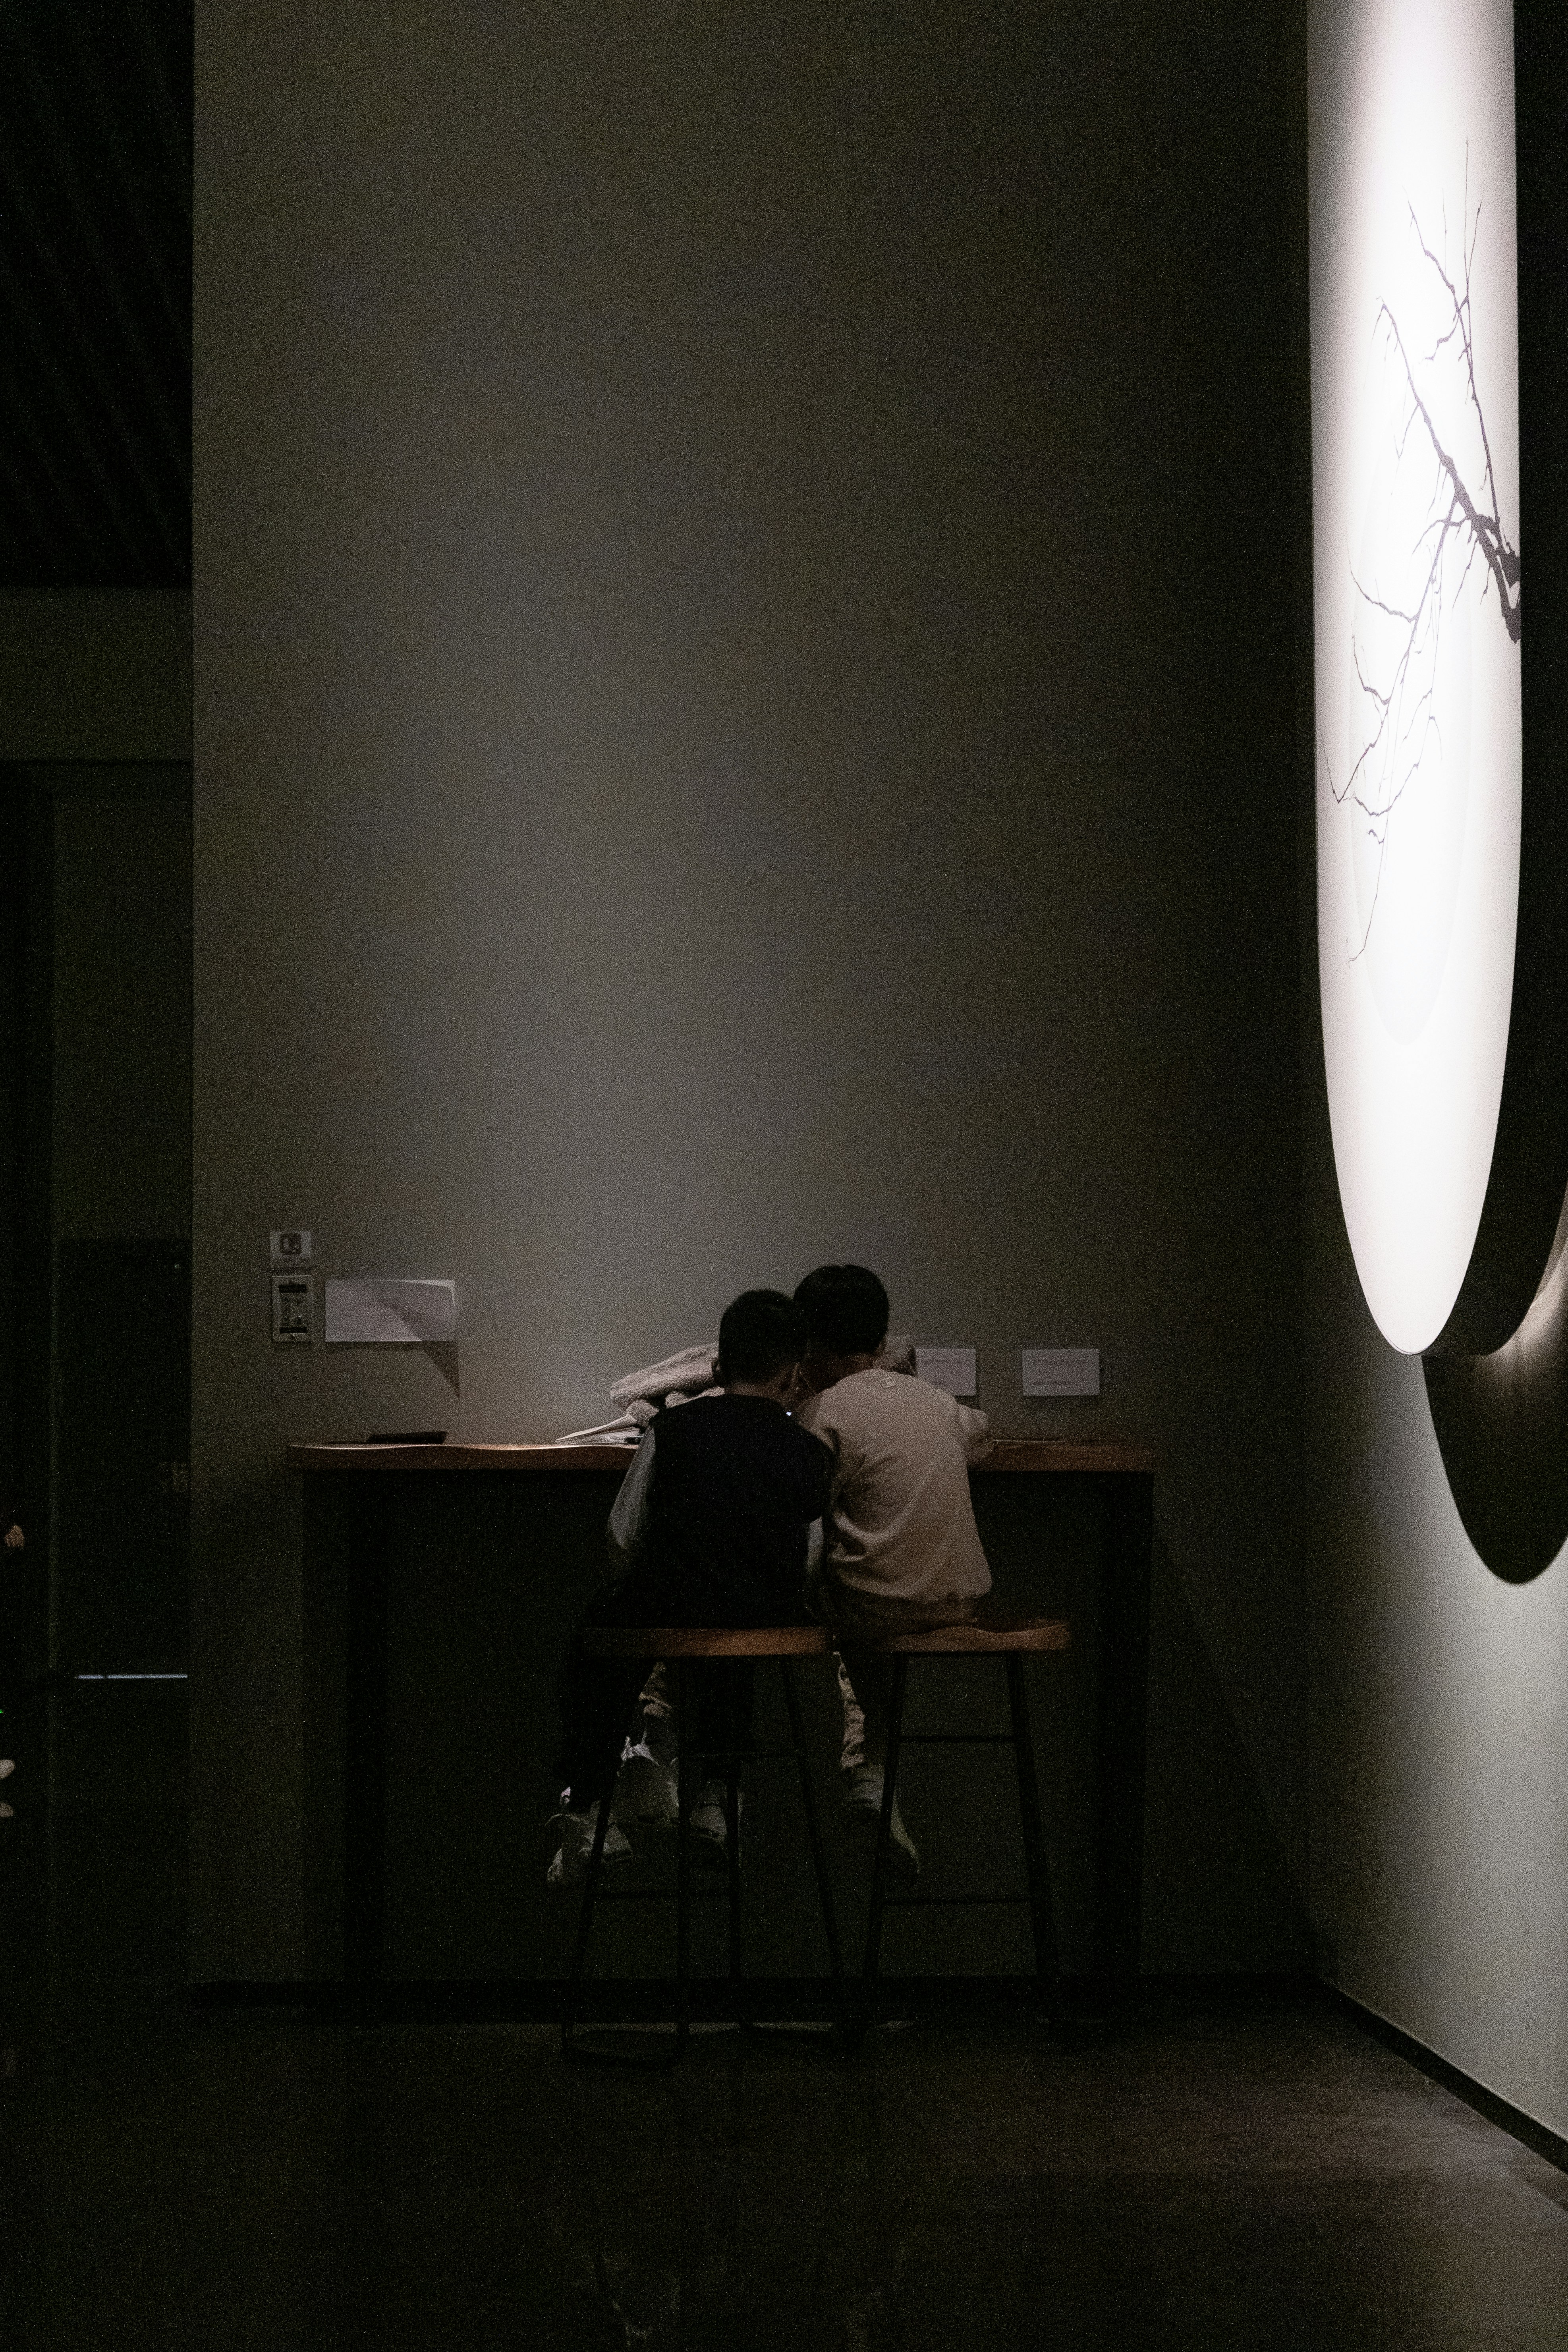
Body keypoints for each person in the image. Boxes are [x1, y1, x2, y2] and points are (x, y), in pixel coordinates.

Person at [548, 1288, 830, 1886]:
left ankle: (591, 1801)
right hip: (767, 1611)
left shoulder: (673, 1428)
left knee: (599, 1637)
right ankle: (721, 1793)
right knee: (734, 1638)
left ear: (719, 1369)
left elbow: (624, 1536)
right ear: (794, 1376)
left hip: (674, 1602)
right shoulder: (805, 1448)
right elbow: (810, 1552)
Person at [794, 1264, 993, 1872]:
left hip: (873, 1607)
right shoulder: (938, 1403)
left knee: (827, 1592)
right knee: (879, 1593)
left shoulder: (819, 1413)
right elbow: (981, 1435)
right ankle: (874, 1772)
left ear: (806, 1346)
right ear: (883, 1343)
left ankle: (865, 1768)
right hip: (962, 1599)